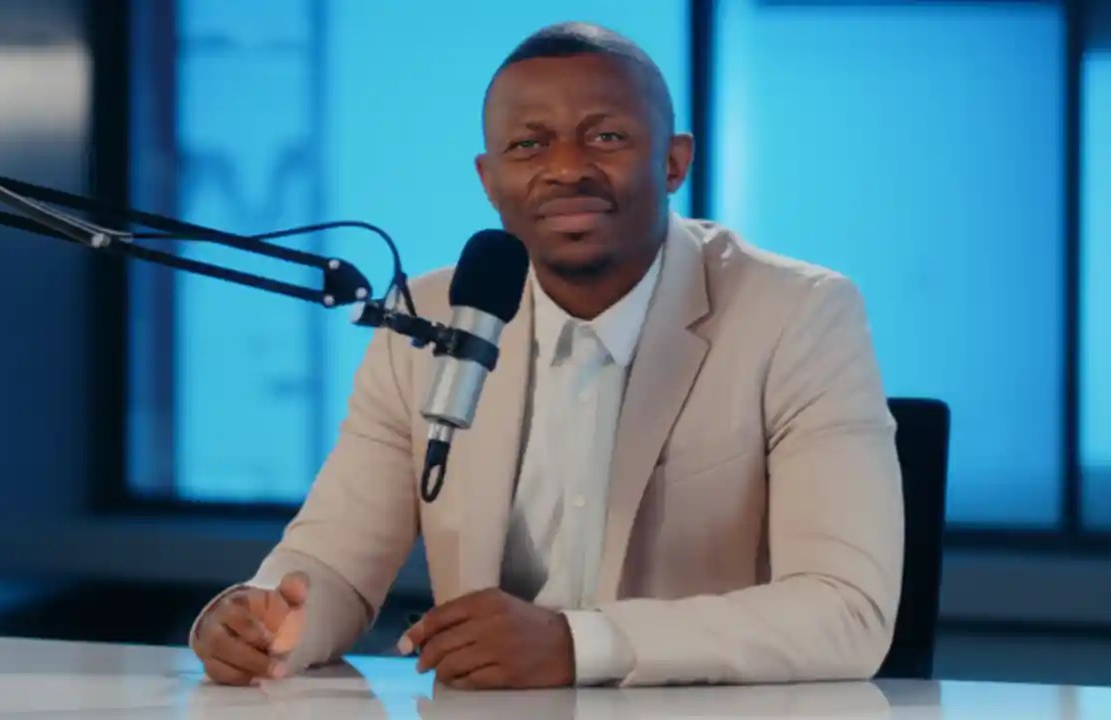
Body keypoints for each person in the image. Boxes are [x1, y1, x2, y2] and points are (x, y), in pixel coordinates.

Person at [190, 21, 903, 690]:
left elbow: (847, 612)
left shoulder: (798, 314)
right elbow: (335, 565)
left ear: (675, 161)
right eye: (529, 146)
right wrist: (266, 619)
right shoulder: (426, 320)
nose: (566, 169)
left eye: (607, 137)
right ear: (488, 177)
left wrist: (577, 643)